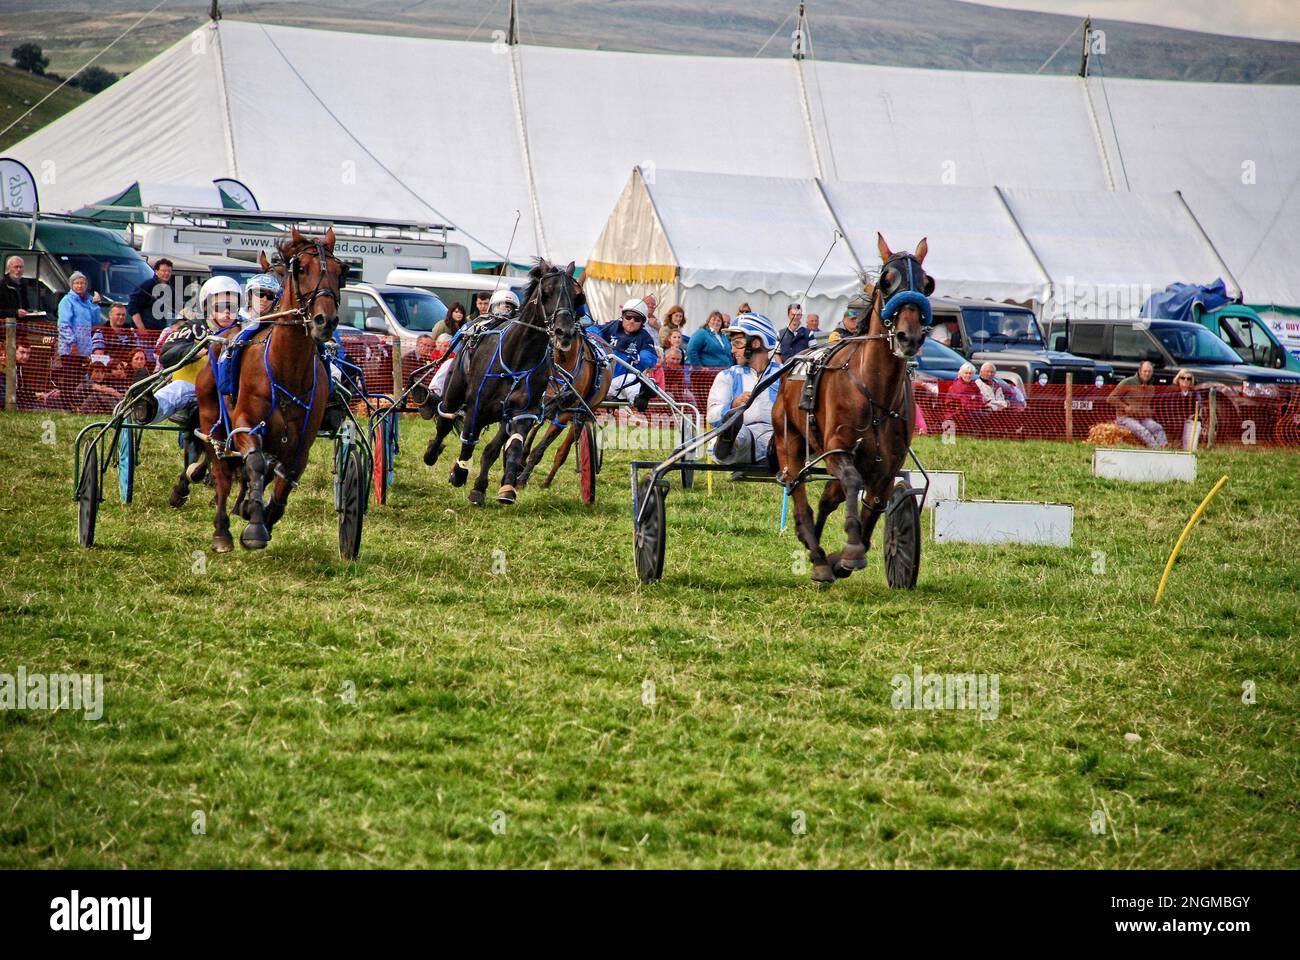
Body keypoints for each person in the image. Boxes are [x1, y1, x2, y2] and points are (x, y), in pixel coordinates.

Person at [132, 276, 239, 425]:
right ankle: (148, 409)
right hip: (193, 390)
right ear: (207, 306)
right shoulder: (194, 327)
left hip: (233, 394)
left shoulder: (244, 331)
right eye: (221, 306)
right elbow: (166, 355)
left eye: (232, 307)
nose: (227, 312)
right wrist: (198, 350)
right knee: (178, 389)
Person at [707, 313, 781, 466]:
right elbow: (712, 416)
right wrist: (733, 406)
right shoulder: (727, 376)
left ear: (755, 343)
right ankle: (728, 438)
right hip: (744, 437)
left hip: (778, 438)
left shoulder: (785, 374)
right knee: (739, 432)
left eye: (737, 343)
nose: (732, 350)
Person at [593, 298, 658, 411]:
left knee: (631, 379)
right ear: (622, 317)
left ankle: (639, 399)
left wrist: (641, 358)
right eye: (628, 317)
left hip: (620, 383)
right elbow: (593, 330)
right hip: (599, 382)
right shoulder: (612, 326)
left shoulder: (644, 337)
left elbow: (651, 359)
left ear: (642, 322)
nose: (631, 321)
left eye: (636, 319)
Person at [1108, 360, 1167, 448]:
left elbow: (1148, 404)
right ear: (1139, 371)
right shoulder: (1127, 382)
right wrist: (1125, 407)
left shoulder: (1151, 387)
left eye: (1149, 371)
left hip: (1142, 418)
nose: (1147, 374)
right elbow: (1110, 398)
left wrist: (1150, 411)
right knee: (1143, 432)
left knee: (1158, 428)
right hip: (1125, 418)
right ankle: (1156, 450)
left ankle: (1165, 449)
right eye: (1145, 371)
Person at [57, 271, 101, 358]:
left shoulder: (88, 300)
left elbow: (96, 322)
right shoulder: (67, 300)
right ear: (72, 285)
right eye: (77, 283)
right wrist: (72, 342)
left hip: (85, 350)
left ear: (86, 285)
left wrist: (95, 305)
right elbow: (63, 324)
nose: (80, 286)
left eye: (82, 283)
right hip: (69, 350)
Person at [128, 258, 177, 332]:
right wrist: (141, 328)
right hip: (142, 331)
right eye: (163, 271)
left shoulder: (170, 289)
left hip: (159, 331)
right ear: (156, 271)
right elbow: (133, 307)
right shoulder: (147, 285)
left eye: (169, 271)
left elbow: (178, 306)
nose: (166, 273)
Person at [1167, 368, 1204, 450]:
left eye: (1188, 378)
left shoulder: (1194, 392)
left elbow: (1196, 408)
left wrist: (1193, 415)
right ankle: (1177, 444)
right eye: (1183, 378)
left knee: (1196, 424)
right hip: (1173, 418)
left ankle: (1190, 448)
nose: (1186, 380)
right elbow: (1172, 409)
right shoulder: (1172, 390)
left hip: (1188, 418)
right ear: (1178, 379)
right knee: (1179, 422)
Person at [0, 255, 31, 320]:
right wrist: (15, 312)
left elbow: (25, 306)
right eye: (16, 267)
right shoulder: (2, 286)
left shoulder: (23, 286)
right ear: (8, 268)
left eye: (21, 267)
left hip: (22, 325)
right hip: (6, 326)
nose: (19, 270)